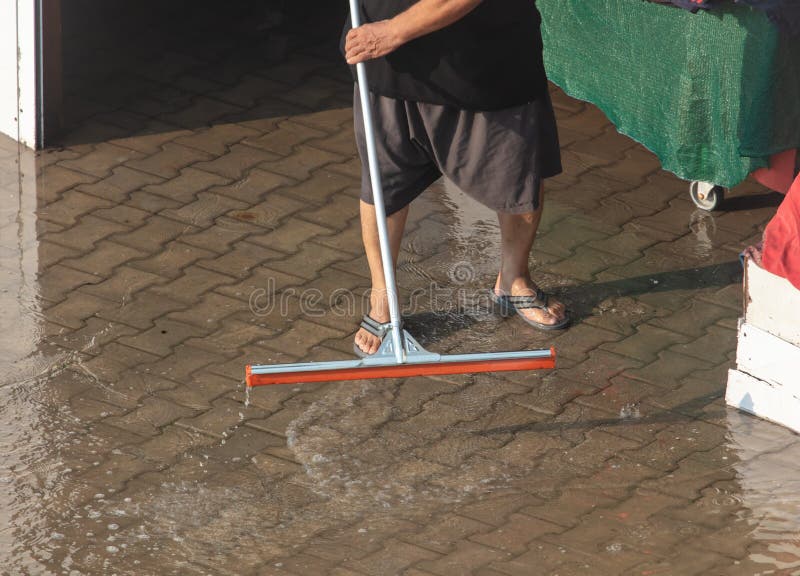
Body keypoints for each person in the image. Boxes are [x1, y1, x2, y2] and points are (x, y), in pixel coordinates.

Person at [344, 0, 569, 357]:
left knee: (516, 174)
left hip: (486, 61)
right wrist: (384, 34)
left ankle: (514, 278)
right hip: (387, 61)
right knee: (384, 181)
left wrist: (392, 32)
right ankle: (382, 296)